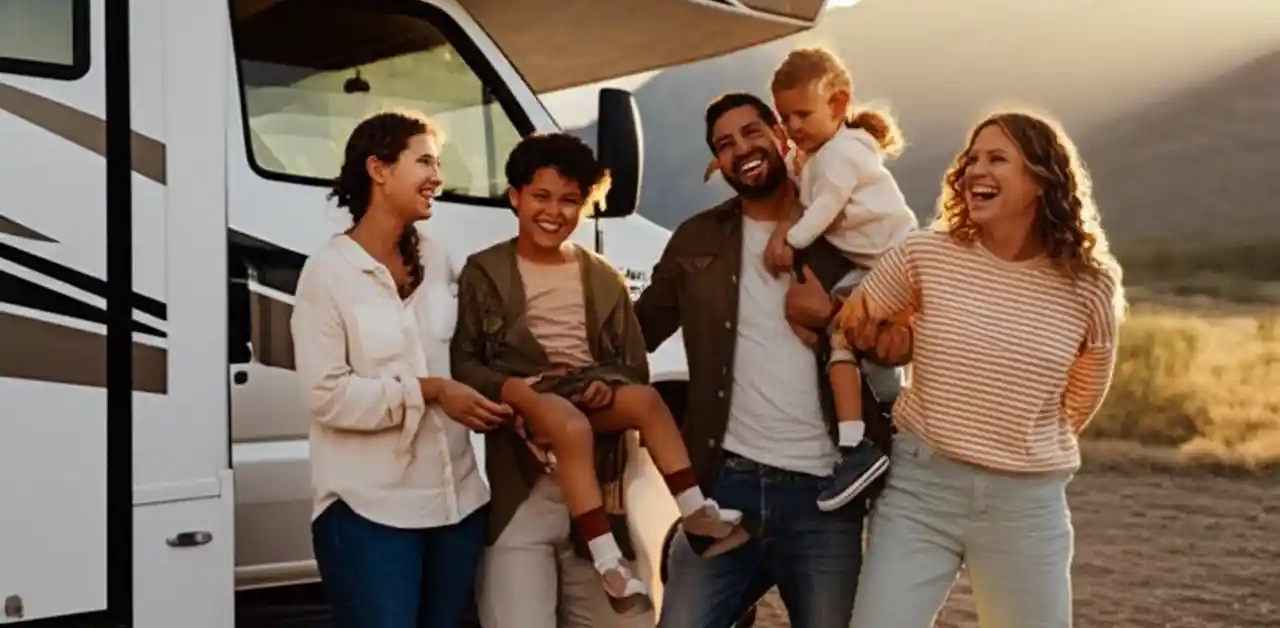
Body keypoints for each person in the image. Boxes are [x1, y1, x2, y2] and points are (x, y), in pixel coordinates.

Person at [840, 111, 1126, 628]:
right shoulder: (925, 254)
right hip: (920, 492)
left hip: (1025, 506)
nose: (976, 170)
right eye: (972, 158)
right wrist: (897, 343)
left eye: (997, 159)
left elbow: (1084, 392)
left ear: (1040, 180)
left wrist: (1016, 438)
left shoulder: (1089, 284)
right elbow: (857, 322)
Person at [634, 92, 908, 628]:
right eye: (725, 145)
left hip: (826, 495)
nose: (742, 149)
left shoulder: (847, 233)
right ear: (718, 163)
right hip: (727, 490)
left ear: (783, 136)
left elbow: (901, 342)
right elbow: (634, 334)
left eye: (752, 132)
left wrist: (830, 314)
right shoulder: (697, 239)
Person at [451, 133, 743, 626]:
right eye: (541, 196)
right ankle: (608, 560)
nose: (554, 212)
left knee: (646, 401)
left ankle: (691, 512)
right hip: (525, 479)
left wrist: (606, 384)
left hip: (599, 472)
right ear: (515, 197)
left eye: (570, 200)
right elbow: (467, 365)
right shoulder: (485, 273)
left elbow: (632, 365)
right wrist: (517, 391)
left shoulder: (601, 276)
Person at [291, 110, 512, 628]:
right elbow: (327, 396)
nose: (437, 176)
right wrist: (429, 390)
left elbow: (474, 356)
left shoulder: (439, 259)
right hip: (369, 514)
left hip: (456, 506)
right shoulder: (327, 273)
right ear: (378, 169)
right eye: (425, 161)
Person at [761, 46, 918, 512]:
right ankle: (866, 432)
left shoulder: (844, 154)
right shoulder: (819, 153)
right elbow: (794, 175)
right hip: (871, 264)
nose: (793, 127)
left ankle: (859, 445)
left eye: (802, 114)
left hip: (893, 263)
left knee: (844, 337)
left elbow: (824, 207)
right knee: (837, 338)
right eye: (785, 118)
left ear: (839, 104)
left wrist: (790, 239)